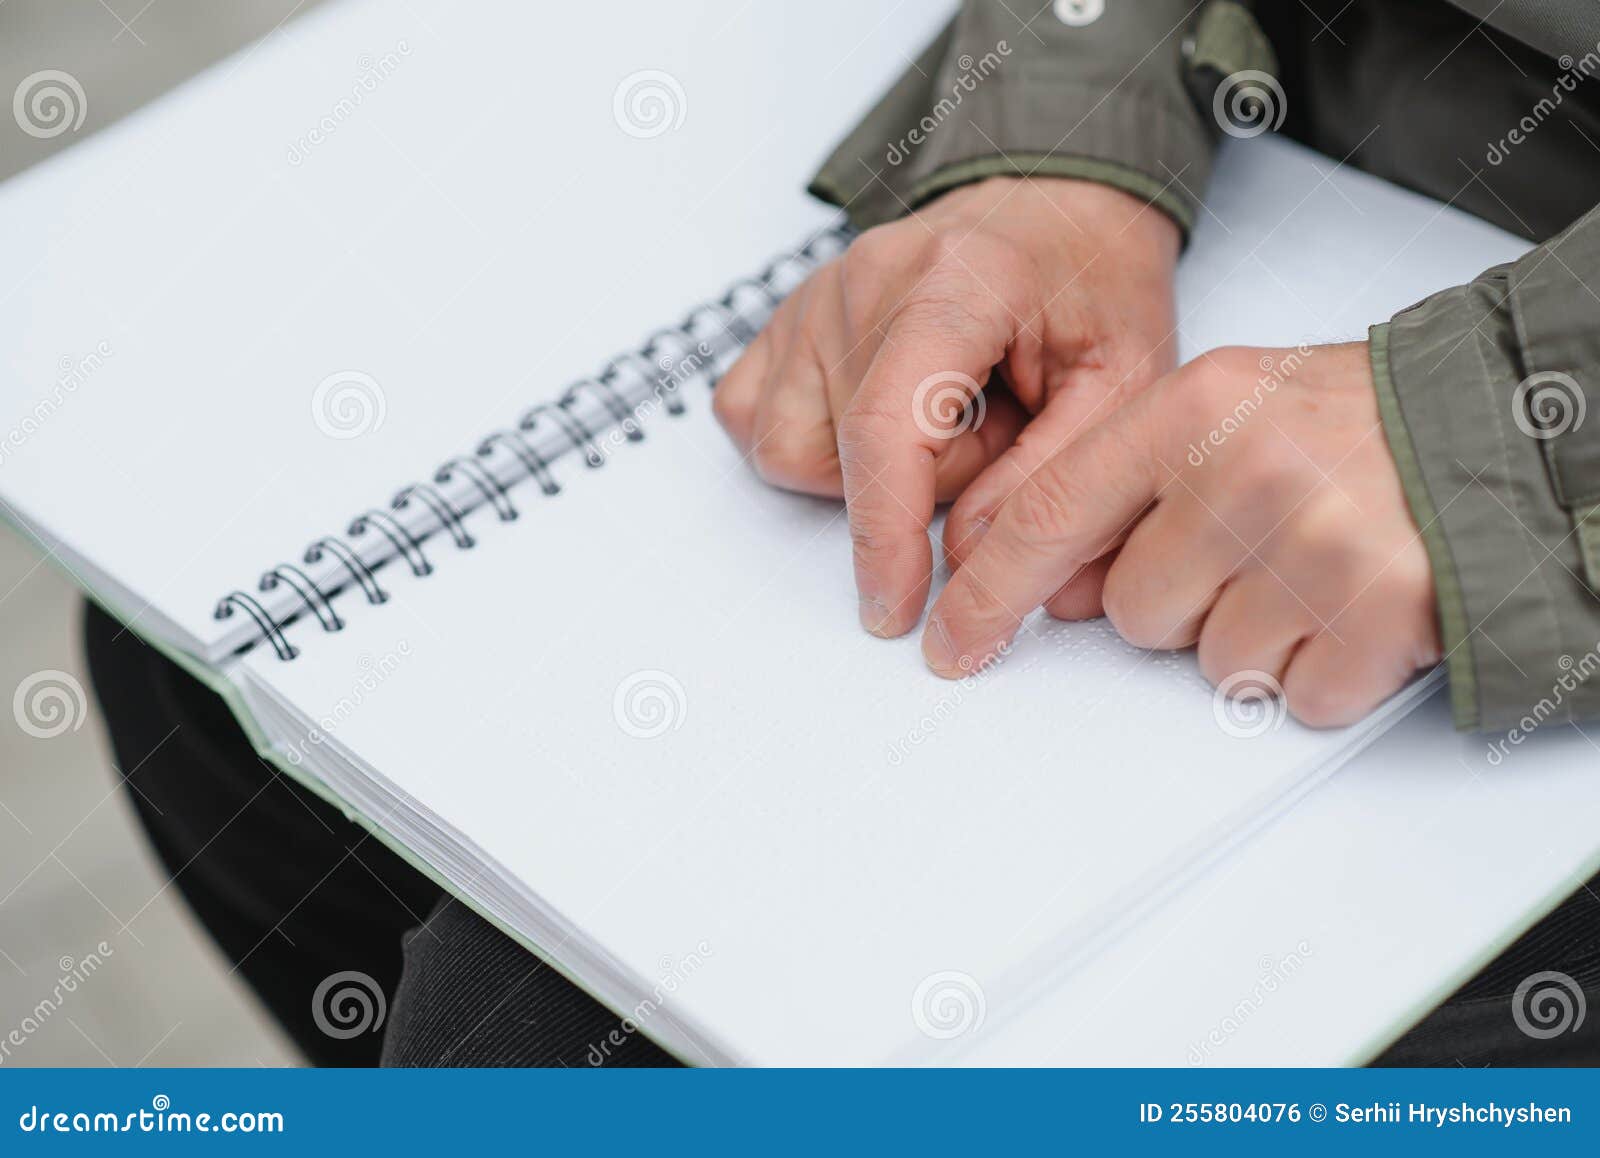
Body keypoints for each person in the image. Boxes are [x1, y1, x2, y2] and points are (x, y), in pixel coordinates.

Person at [90, 0, 1600, 1066]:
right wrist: (1060, 132)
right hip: (1314, 129)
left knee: (541, 1049)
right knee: (197, 698)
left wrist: (1520, 442)